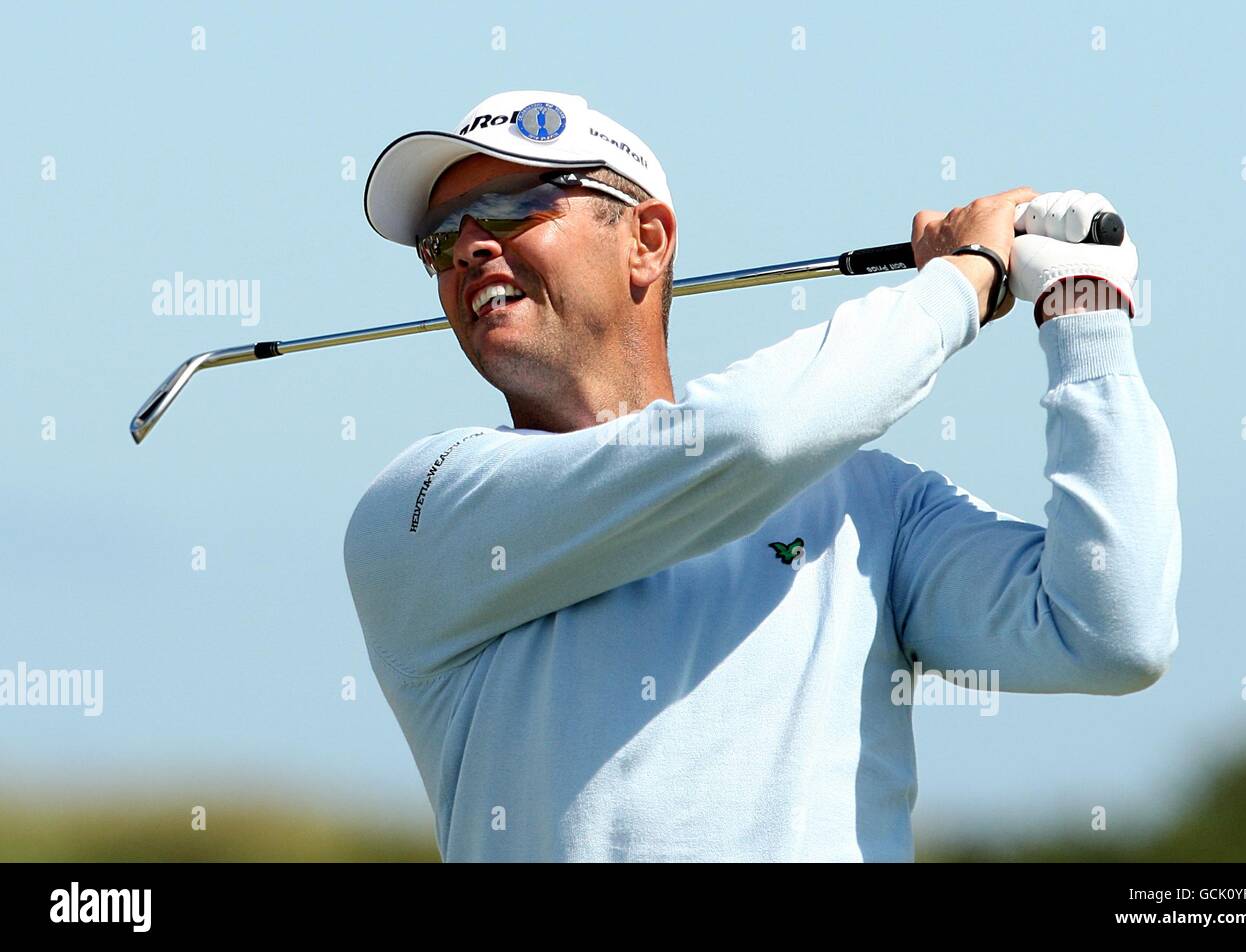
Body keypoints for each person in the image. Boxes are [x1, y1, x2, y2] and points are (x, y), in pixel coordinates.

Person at [344, 90, 1181, 861]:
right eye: (443, 239)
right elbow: (756, 437)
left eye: (519, 206)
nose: (472, 248)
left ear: (647, 241)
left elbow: (1111, 632)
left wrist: (1086, 316)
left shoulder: (871, 510)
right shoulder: (422, 511)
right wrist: (962, 279)